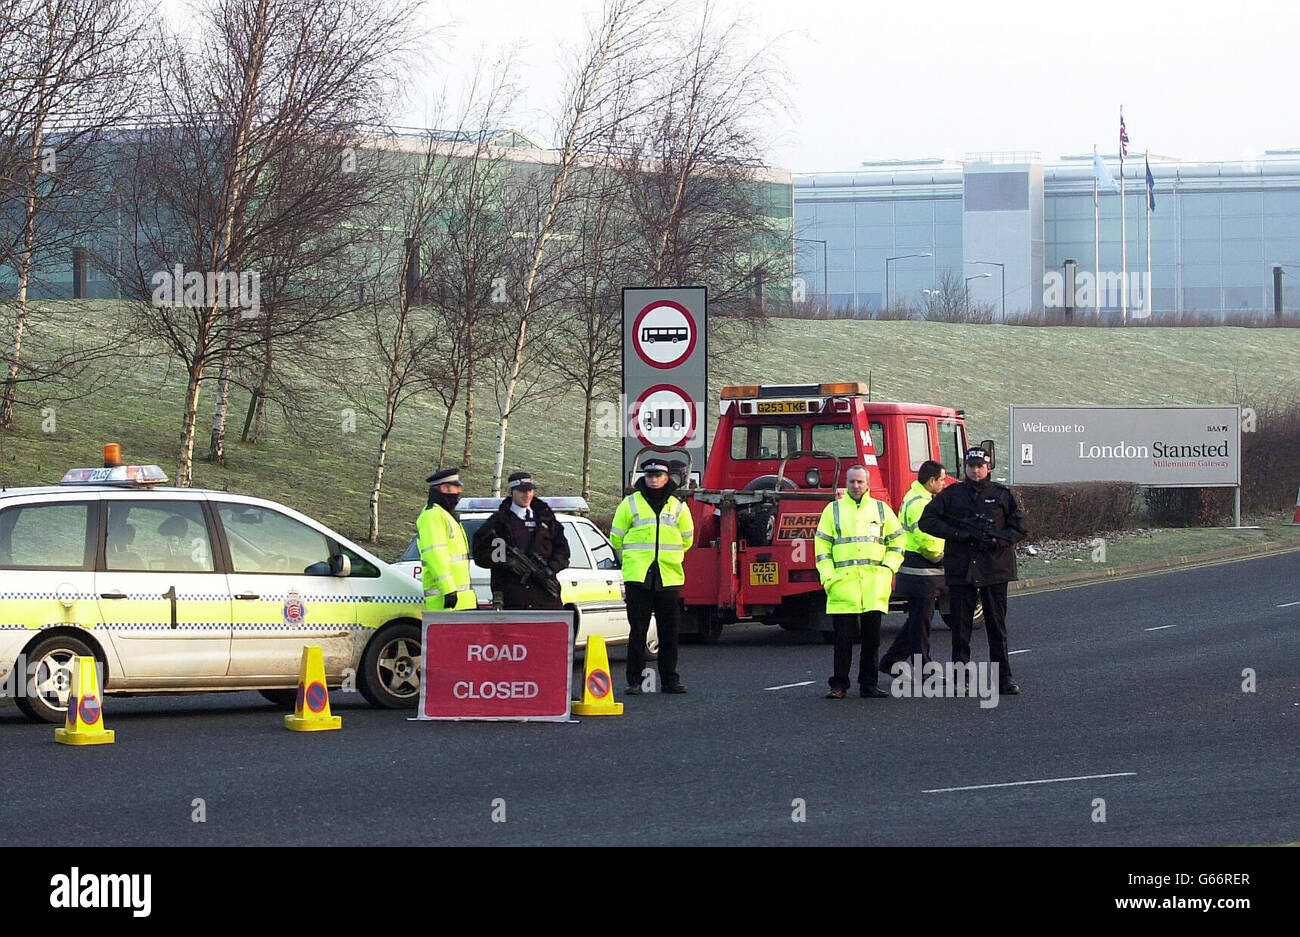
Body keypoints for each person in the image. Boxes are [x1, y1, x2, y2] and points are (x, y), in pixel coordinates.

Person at [918, 446, 1028, 695]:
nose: (975, 470)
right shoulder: (952, 494)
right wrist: (958, 534)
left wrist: (997, 542)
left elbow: (1020, 528)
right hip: (962, 569)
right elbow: (927, 521)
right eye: (971, 466)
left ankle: (1004, 678)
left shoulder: (1002, 495)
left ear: (988, 467)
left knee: (996, 627)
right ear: (965, 468)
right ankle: (961, 678)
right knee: (960, 627)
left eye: (980, 466)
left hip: (994, 569)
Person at [816, 465, 905, 699]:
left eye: (860, 482)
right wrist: (828, 577)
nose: (856, 486)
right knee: (842, 641)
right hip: (843, 586)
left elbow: (898, 540)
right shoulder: (832, 510)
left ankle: (869, 684)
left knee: (872, 640)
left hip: (874, 585)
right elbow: (822, 547)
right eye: (852, 482)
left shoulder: (881, 509)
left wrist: (888, 568)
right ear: (846, 483)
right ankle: (839, 685)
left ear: (867, 484)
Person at [609, 458, 694, 695]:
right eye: (650, 476)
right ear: (644, 478)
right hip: (638, 576)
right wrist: (634, 558)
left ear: (667, 477)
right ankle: (634, 681)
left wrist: (669, 557)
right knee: (638, 631)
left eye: (658, 475)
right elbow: (616, 537)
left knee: (670, 632)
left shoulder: (677, 505)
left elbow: (688, 539)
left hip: (668, 576)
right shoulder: (630, 503)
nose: (654, 479)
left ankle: (670, 680)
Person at [879, 460, 951, 676]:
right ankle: (924, 668)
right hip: (922, 570)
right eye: (942, 480)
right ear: (931, 481)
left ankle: (891, 661)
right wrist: (940, 556)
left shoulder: (914, 497)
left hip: (913, 569)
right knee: (921, 623)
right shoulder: (921, 503)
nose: (944, 484)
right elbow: (925, 538)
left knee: (917, 620)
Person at [471, 471, 569, 612]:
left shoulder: (546, 519)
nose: (527, 495)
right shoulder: (498, 522)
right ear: (511, 492)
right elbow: (481, 554)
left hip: (545, 599)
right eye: (522, 491)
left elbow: (563, 551)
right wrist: (507, 562)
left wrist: (550, 569)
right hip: (512, 600)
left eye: (530, 490)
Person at [416, 467, 475, 612]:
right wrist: (448, 590)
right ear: (444, 488)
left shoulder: (446, 514)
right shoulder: (433, 516)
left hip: (460, 602)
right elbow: (435, 555)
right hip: (446, 603)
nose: (459, 492)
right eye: (456, 488)